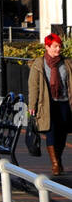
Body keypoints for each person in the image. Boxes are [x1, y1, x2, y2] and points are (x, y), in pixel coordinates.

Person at [29, 33, 71, 175]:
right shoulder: (39, 64)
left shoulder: (66, 63)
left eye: (59, 46)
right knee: (51, 131)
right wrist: (32, 105)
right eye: (55, 46)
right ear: (47, 47)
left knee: (62, 133)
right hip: (47, 104)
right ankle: (55, 164)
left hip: (64, 103)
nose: (58, 49)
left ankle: (58, 159)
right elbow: (33, 86)